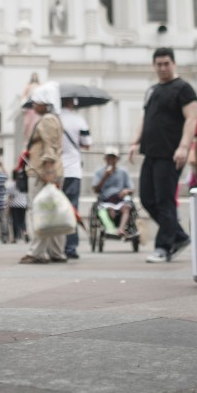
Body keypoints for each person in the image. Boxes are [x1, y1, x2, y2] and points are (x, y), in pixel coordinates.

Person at [127, 47, 197, 264]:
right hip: (151, 152)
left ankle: (163, 247)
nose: (163, 67)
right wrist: (135, 141)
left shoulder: (184, 88)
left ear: (174, 64)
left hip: (171, 154)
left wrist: (184, 147)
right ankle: (180, 236)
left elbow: (192, 118)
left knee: (165, 200)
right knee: (147, 199)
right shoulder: (152, 90)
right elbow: (145, 117)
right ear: (154, 66)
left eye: (167, 63)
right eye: (159, 64)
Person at [19, 82, 66, 264]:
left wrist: (48, 174)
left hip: (41, 173)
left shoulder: (47, 120)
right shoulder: (52, 119)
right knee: (52, 212)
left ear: (46, 103)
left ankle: (37, 252)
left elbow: (50, 148)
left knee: (39, 212)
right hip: (46, 172)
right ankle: (56, 252)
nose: (33, 105)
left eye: (36, 102)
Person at [59, 97, 91, 259]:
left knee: (56, 209)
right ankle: (70, 247)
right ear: (72, 103)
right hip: (72, 169)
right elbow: (87, 143)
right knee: (72, 209)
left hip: (56, 170)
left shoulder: (53, 119)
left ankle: (57, 246)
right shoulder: (79, 120)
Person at [92, 148, 135, 236]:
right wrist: (105, 177)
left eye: (113, 158)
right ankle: (110, 228)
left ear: (117, 159)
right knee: (105, 210)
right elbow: (95, 190)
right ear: (105, 159)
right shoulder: (99, 172)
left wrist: (126, 190)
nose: (111, 160)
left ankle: (121, 229)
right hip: (105, 199)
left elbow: (131, 188)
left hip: (120, 198)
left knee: (127, 207)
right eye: (109, 158)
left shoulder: (123, 172)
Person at [6, 172, 28, 244]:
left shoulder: (13, 185)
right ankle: (25, 232)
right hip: (24, 204)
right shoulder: (25, 184)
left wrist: (8, 206)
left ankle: (15, 237)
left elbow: (10, 196)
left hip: (15, 205)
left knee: (15, 221)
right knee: (22, 220)